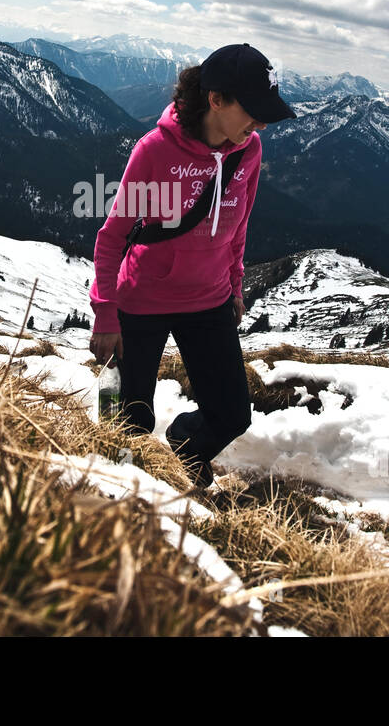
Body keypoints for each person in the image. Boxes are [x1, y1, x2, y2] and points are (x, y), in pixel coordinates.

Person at [88, 43, 297, 489]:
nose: (261, 123)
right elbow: (111, 239)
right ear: (216, 99)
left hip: (209, 300)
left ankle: (187, 443)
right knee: (127, 425)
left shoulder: (249, 151)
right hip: (142, 301)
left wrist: (235, 285)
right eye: (253, 110)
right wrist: (106, 313)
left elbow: (238, 224)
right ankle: (118, 487)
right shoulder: (155, 151)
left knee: (232, 415)